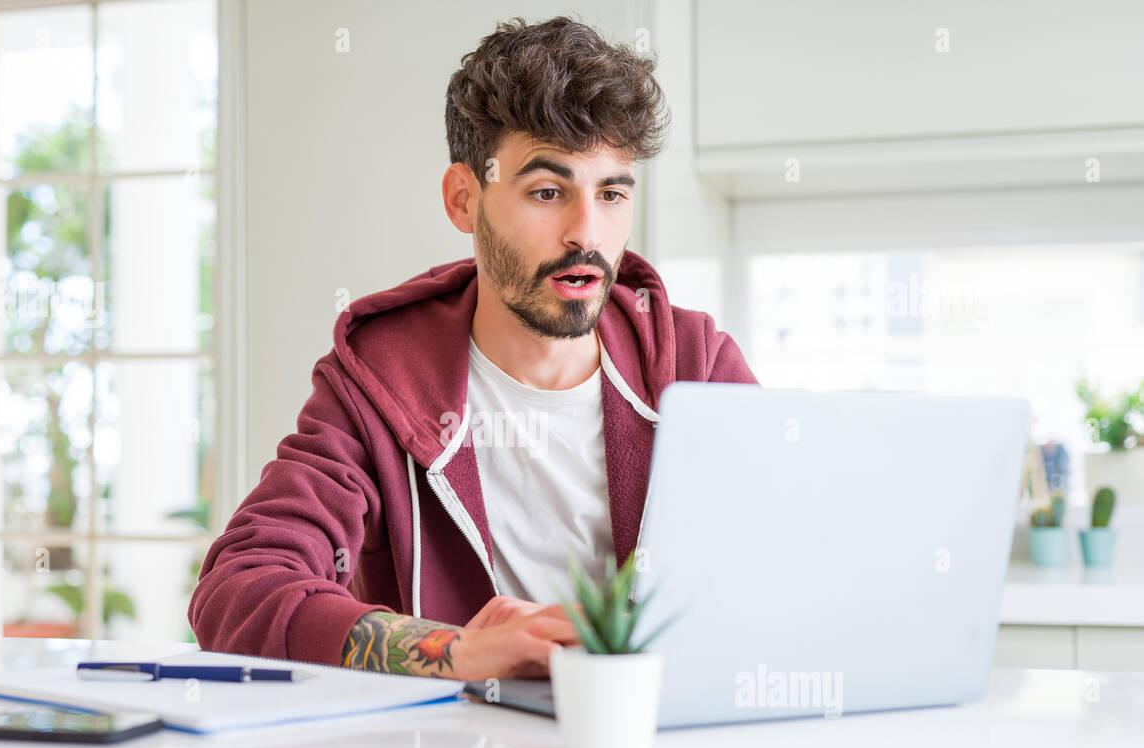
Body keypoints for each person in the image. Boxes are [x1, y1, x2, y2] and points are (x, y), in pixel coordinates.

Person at [188, 15, 758, 681]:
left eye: (611, 194)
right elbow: (240, 588)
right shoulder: (377, 381)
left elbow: (794, 565)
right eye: (548, 192)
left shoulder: (695, 365)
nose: (587, 233)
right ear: (464, 199)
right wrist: (453, 650)